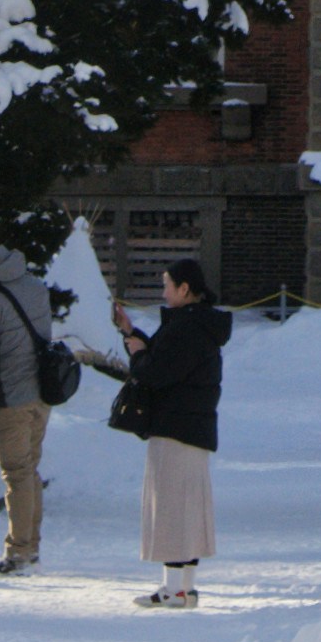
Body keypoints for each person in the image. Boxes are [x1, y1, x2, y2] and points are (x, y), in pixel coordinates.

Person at [95, 257, 233, 606]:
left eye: (167, 284)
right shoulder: (198, 324)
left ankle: (174, 589)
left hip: (175, 426)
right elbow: (164, 358)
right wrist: (133, 335)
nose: (164, 291)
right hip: (194, 428)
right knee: (189, 507)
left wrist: (139, 354)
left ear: (185, 289)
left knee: (171, 508)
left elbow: (156, 372)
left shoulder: (187, 327)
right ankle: (184, 587)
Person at [0, 239, 73, 573]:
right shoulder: (35, 286)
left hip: (11, 398)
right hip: (42, 394)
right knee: (30, 470)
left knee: (16, 474)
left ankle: (18, 551)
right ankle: (31, 546)